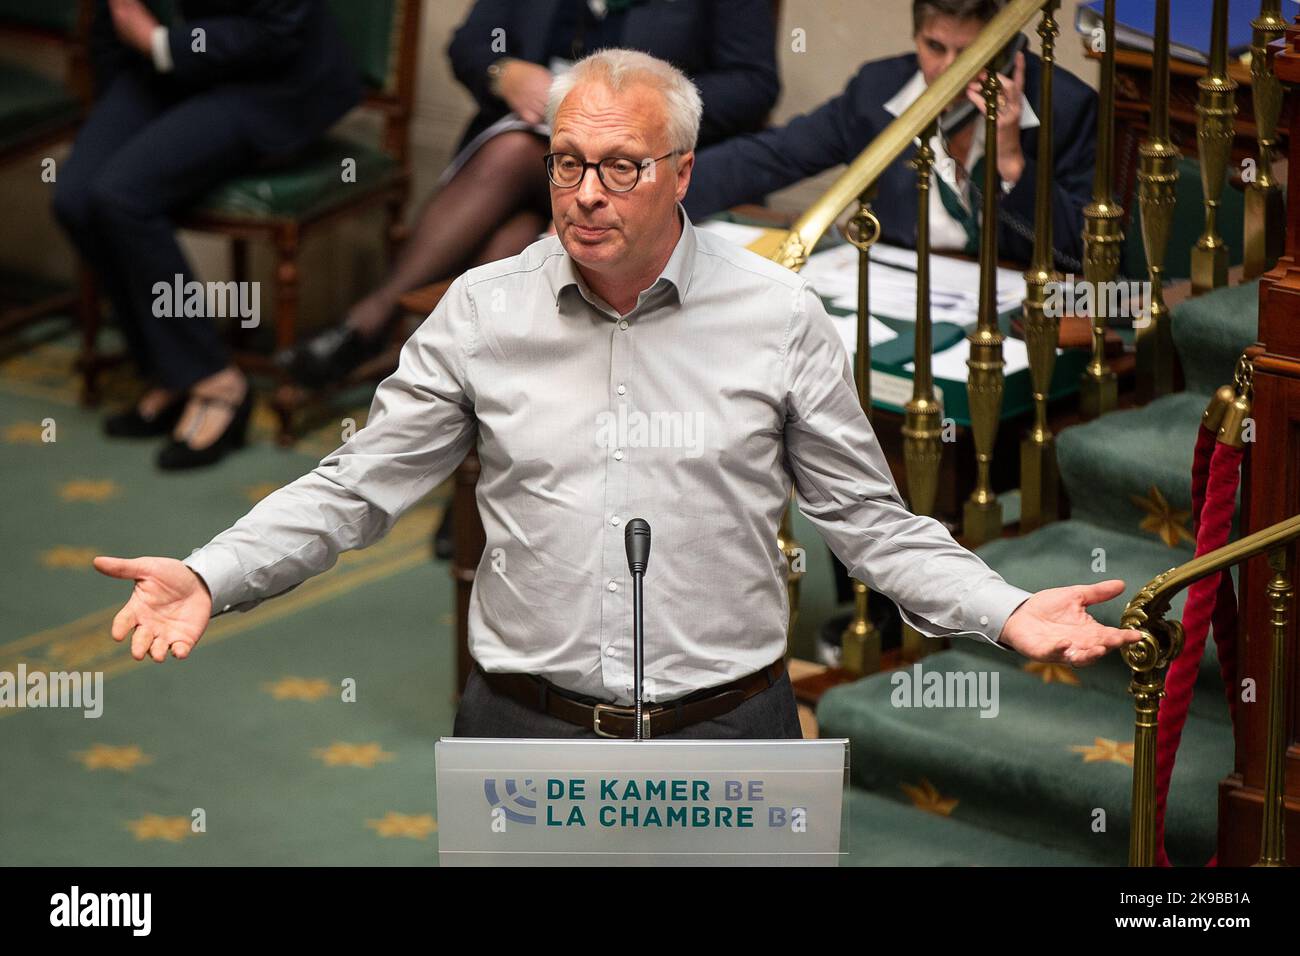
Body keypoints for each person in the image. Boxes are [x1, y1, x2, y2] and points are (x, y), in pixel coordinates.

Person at [93, 49, 1139, 741]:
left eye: (622, 167)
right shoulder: (479, 312)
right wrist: (209, 571)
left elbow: (868, 527)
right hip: (521, 725)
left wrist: (1004, 608)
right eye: (566, 163)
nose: (586, 192)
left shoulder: (777, 319)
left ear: (683, 172)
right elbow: (355, 486)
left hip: (732, 726)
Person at [277, 0, 780, 389]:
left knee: (513, 206)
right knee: (515, 215)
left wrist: (635, 108)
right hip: (533, 149)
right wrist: (505, 72)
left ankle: (379, 325)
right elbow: (471, 43)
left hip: (635, 168)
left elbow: (753, 84)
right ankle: (471, 432)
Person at [53, 0, 362, 469]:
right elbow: (113, 17)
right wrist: (126, 88)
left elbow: (279, 31)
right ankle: (169, 368)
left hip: (271, 81)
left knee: (122, 197)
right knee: (75, 198)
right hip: (164, 68)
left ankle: (215, 378)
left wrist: (161, 43)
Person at [685, 0, 1097, 272]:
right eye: (934, 47)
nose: (949, 69)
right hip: (898, 290)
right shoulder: (877, 90)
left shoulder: (1065, 106)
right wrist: (660, 186)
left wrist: (1011, 161)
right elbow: (771, 156)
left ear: (1008, 50)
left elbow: (1081, 254)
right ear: (916, 37)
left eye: (970, 54)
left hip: (1014, 311)